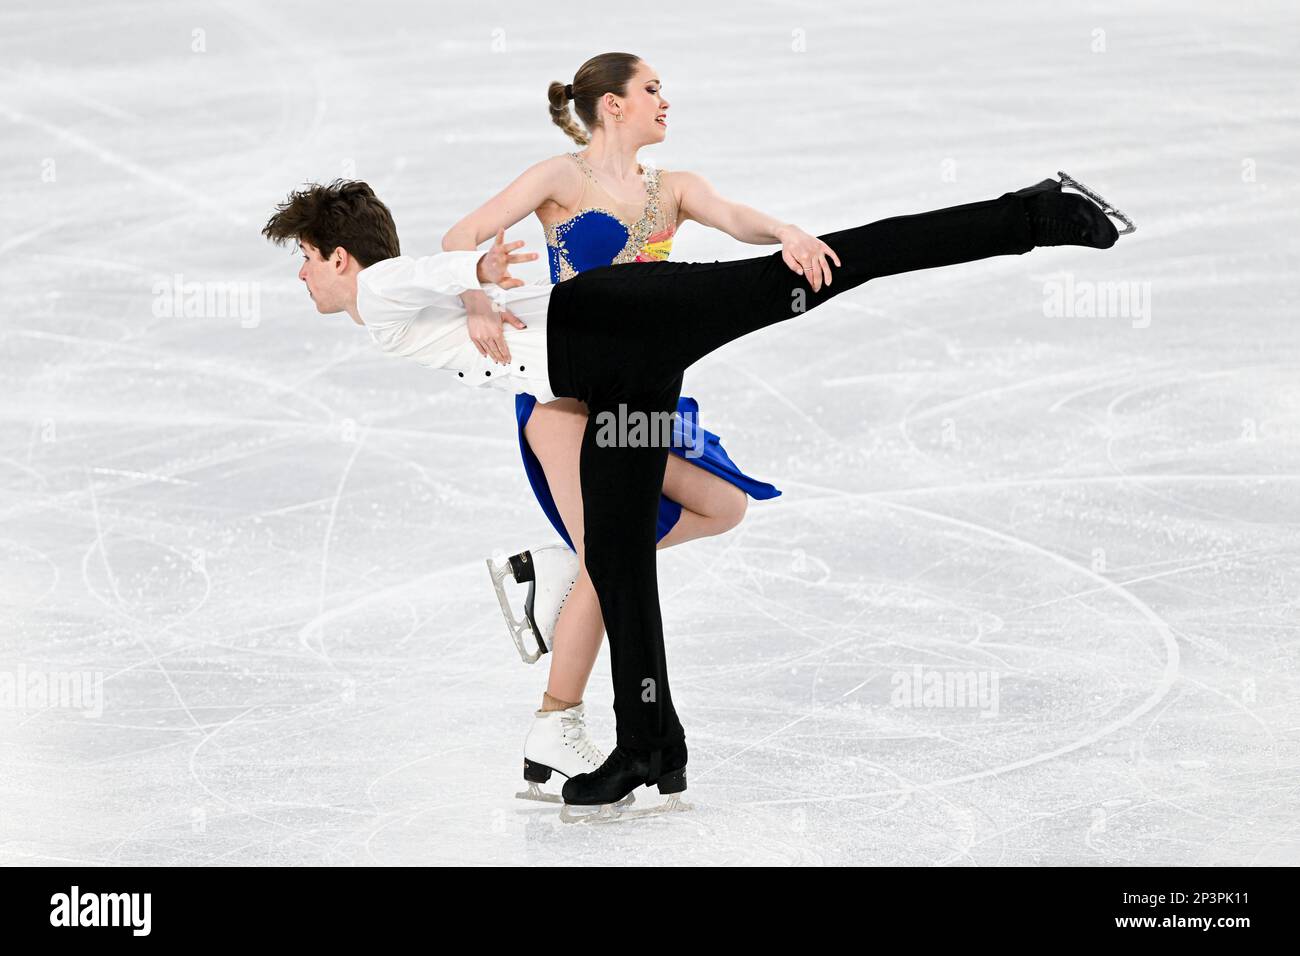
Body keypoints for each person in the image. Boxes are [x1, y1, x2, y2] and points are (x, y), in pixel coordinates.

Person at [261, 169, 1132, 817]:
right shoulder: (384, 302)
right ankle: (650, 747)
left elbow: (425, 271)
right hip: (612, 381)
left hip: (618, 323)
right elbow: (442, 277)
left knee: (824, 273)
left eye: (306, 259)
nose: (304, 277)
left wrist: (473, 280)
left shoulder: (373, 291)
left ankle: (1034, 212)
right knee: (619, 558)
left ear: (340, 256)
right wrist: (474, 288)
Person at [438, 52, 840, 798]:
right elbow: (461, 236)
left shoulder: (674, 190)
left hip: (634, 402)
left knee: (723, 505)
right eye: (651, 88)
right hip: (563, 403)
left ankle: (550, 572)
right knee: (609, 557)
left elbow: (737, 218)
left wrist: (785, 231)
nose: (665, 99)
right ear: (612, 106)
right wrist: (477, 299)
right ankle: (554, 724)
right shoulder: (558, 178)